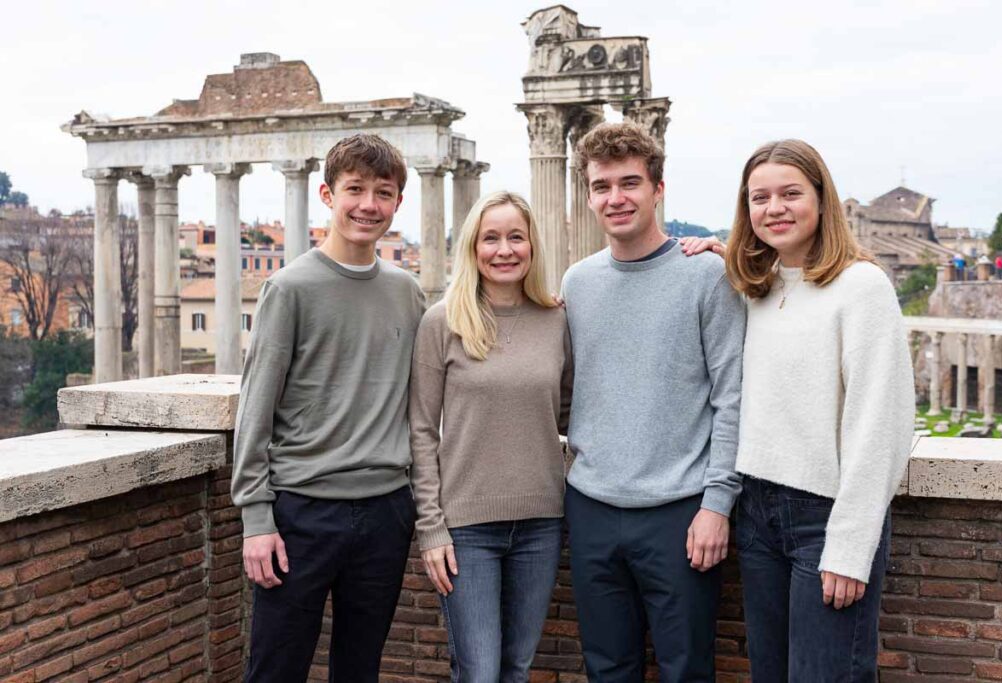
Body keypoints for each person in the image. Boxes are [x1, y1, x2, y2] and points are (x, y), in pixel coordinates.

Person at [684, 139, 914, 681]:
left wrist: (851, 548)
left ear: (821, 198)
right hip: (757, 513)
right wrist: (722, 254)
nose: (774, 208)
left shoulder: (861, 287)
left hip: (825, 519)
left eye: (791, 193)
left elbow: (879, 423)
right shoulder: (756, 289)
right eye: (759, 198)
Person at [231, 134, 425, 682]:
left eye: (382, 192)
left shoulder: (407, 293)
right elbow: (255, 409)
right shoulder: (288, 288)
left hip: (387, 510)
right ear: (326, 194)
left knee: (360, 669)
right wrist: (255, 519)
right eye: (354, 189)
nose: (368, 204)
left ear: (397, 203)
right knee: (276, 668)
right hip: (301, 513)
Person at [561, 122, 746, 682]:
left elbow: (732, 398)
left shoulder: (706, 275)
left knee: (686, 669)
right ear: (588, 195)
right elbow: (566, 391)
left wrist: (717, 505)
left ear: (658, 189)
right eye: (601, 186)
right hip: (590, 506)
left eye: (630, 182)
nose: (615, 198)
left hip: (681, 511)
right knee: (605, 668)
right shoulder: (576, 283)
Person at [409, 191, 573, 681]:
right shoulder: (443, 322)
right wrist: (431, 527)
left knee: (517, 669)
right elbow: (420, 429)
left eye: (516, 237)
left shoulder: (557, 318)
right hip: (466, 528)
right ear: (473, 248)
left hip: (542, 523)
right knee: (479, 672)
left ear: (532, 246)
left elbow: (569, 413)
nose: (505, 250)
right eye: (491, 238)